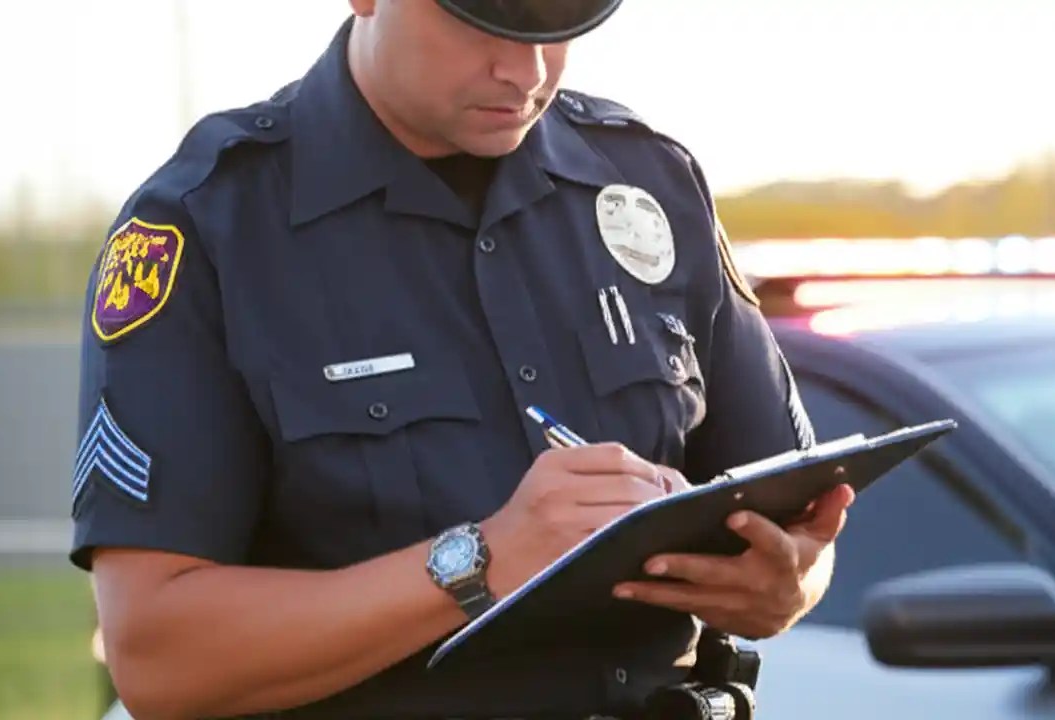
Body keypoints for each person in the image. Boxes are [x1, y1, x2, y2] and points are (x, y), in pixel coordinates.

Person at [69, 1, 856, 718]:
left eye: (555, 29)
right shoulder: (209, 224)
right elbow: (157, 656)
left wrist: (785, 584)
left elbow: (795, 531)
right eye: (485, 24)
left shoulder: (650, 183)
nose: (525, 70)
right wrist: (478, 562)